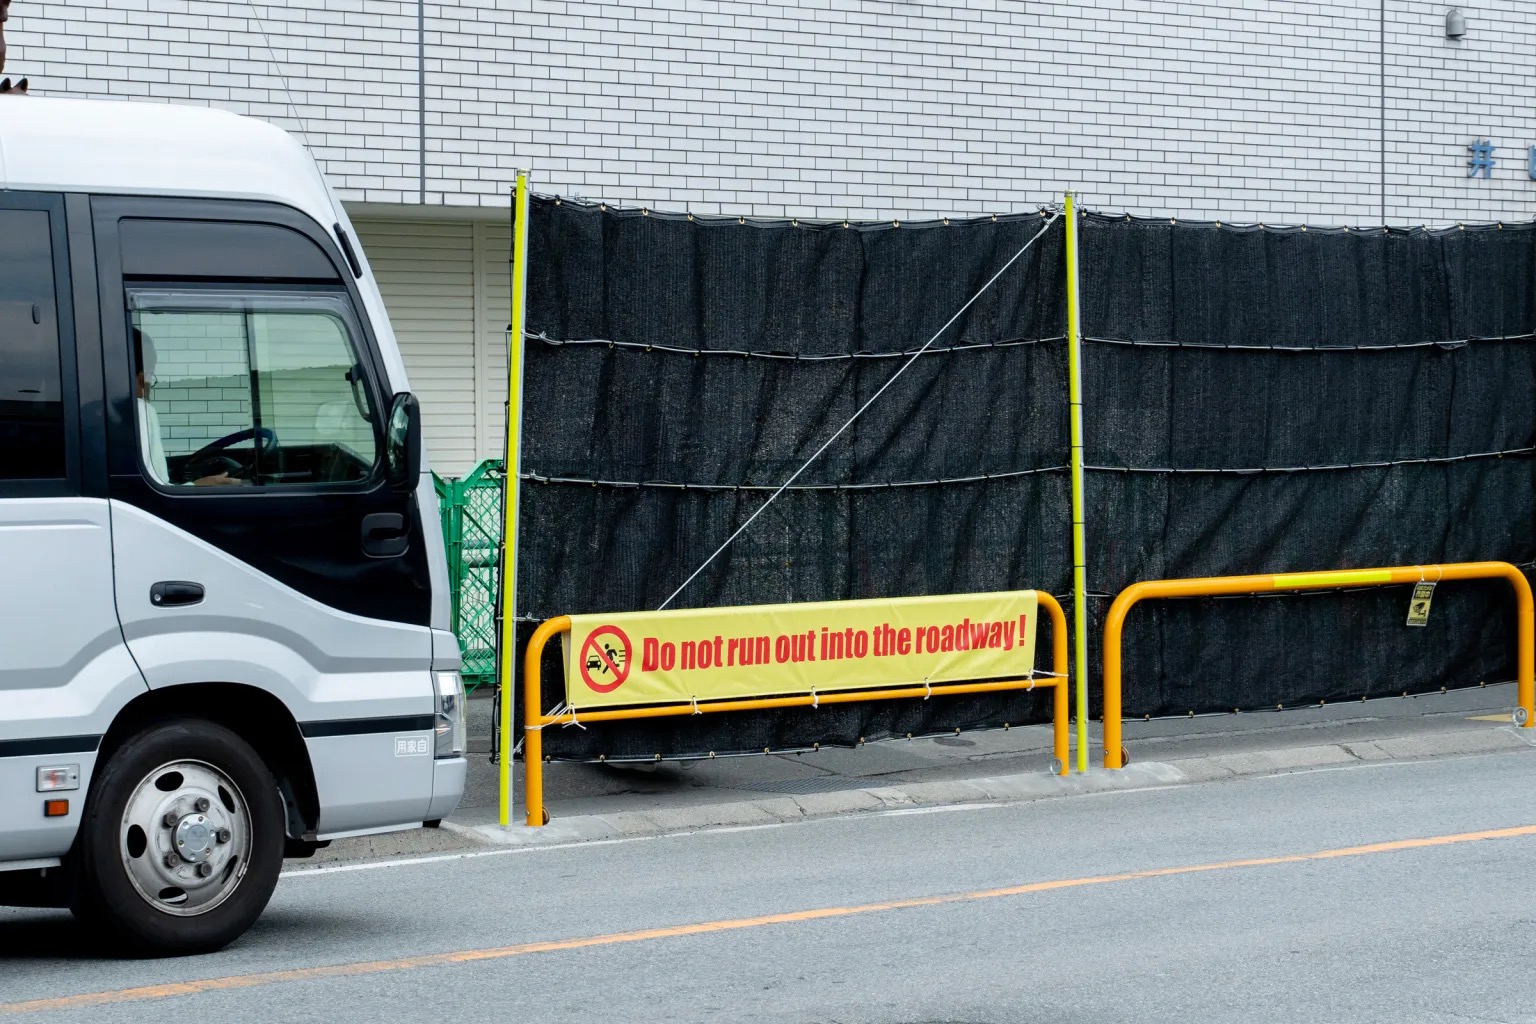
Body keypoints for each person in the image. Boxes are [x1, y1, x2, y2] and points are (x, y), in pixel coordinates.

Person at [134, 327, 239, 487]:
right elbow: (156, 493)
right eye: (151, 374)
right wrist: (198, 486)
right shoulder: (140, 412)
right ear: (141, 378)